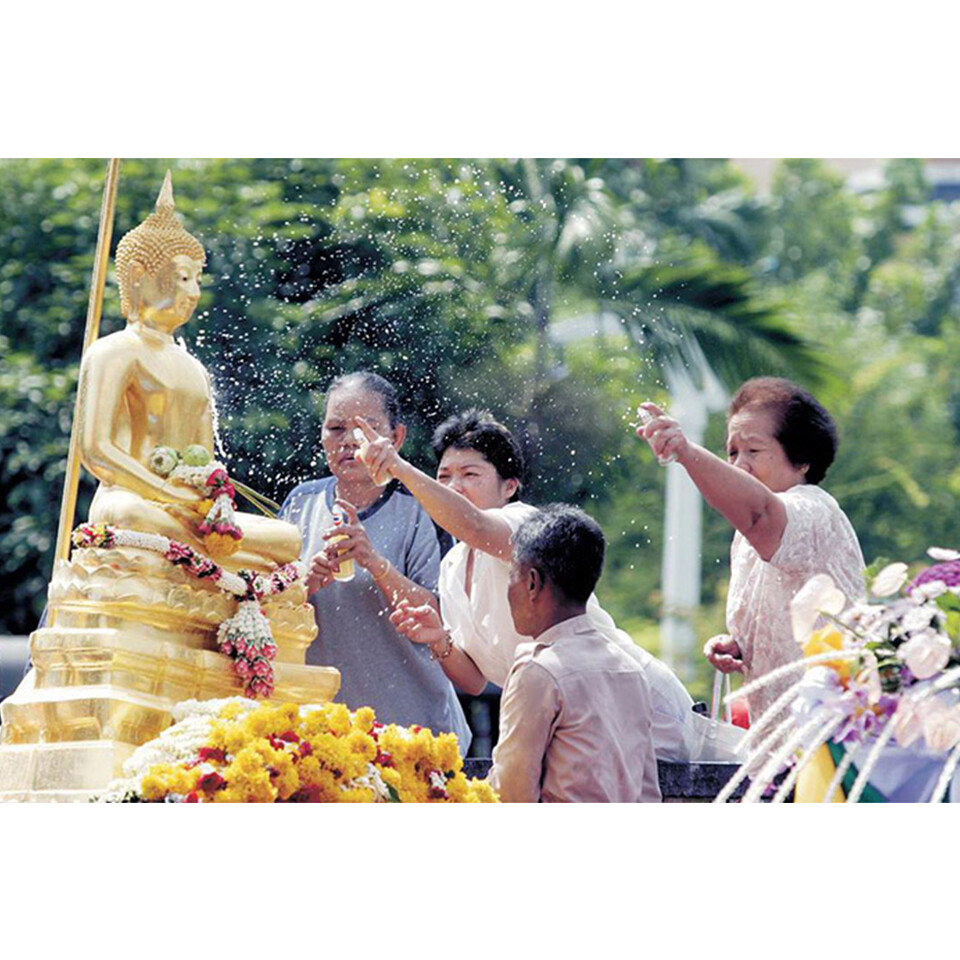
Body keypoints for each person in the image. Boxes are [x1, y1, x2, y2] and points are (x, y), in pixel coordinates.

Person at [355, 408, 697, 760]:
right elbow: (473, 681)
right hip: (566, 727)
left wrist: (398, 468)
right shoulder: (453, 565)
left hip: (632, 705)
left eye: (470, 474)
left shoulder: (524, 524)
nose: (454, 486)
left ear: (510, 486)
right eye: (444, 477)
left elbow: (473, 525)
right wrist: (438, 639)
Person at [638, 377, 865, 721]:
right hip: (773, 735)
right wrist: (737, 646)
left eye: (753, 451)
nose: (739, 464)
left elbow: (760, 514)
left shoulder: (815, 508)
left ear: (801, 459)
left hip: (831, 730)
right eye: (732, 452)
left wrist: (685, 452)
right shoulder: (746, 537)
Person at [279, 372, 471, 751]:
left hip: (415, 734)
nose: (349, 441)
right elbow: (269, 604)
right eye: (336, 428)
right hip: (323, 735)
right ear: (321, 436)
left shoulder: (421, 509)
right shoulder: (300, 503)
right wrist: (307, 581)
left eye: (366, 428)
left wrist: (373, 561)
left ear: (395, 438)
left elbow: (439, 614)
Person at [489, 506, 661, 802]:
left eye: (511, 577)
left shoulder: (539, 672)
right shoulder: (630, 669)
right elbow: (647, 791)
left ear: (532, 582)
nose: (509, 591)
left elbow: (512, 793)